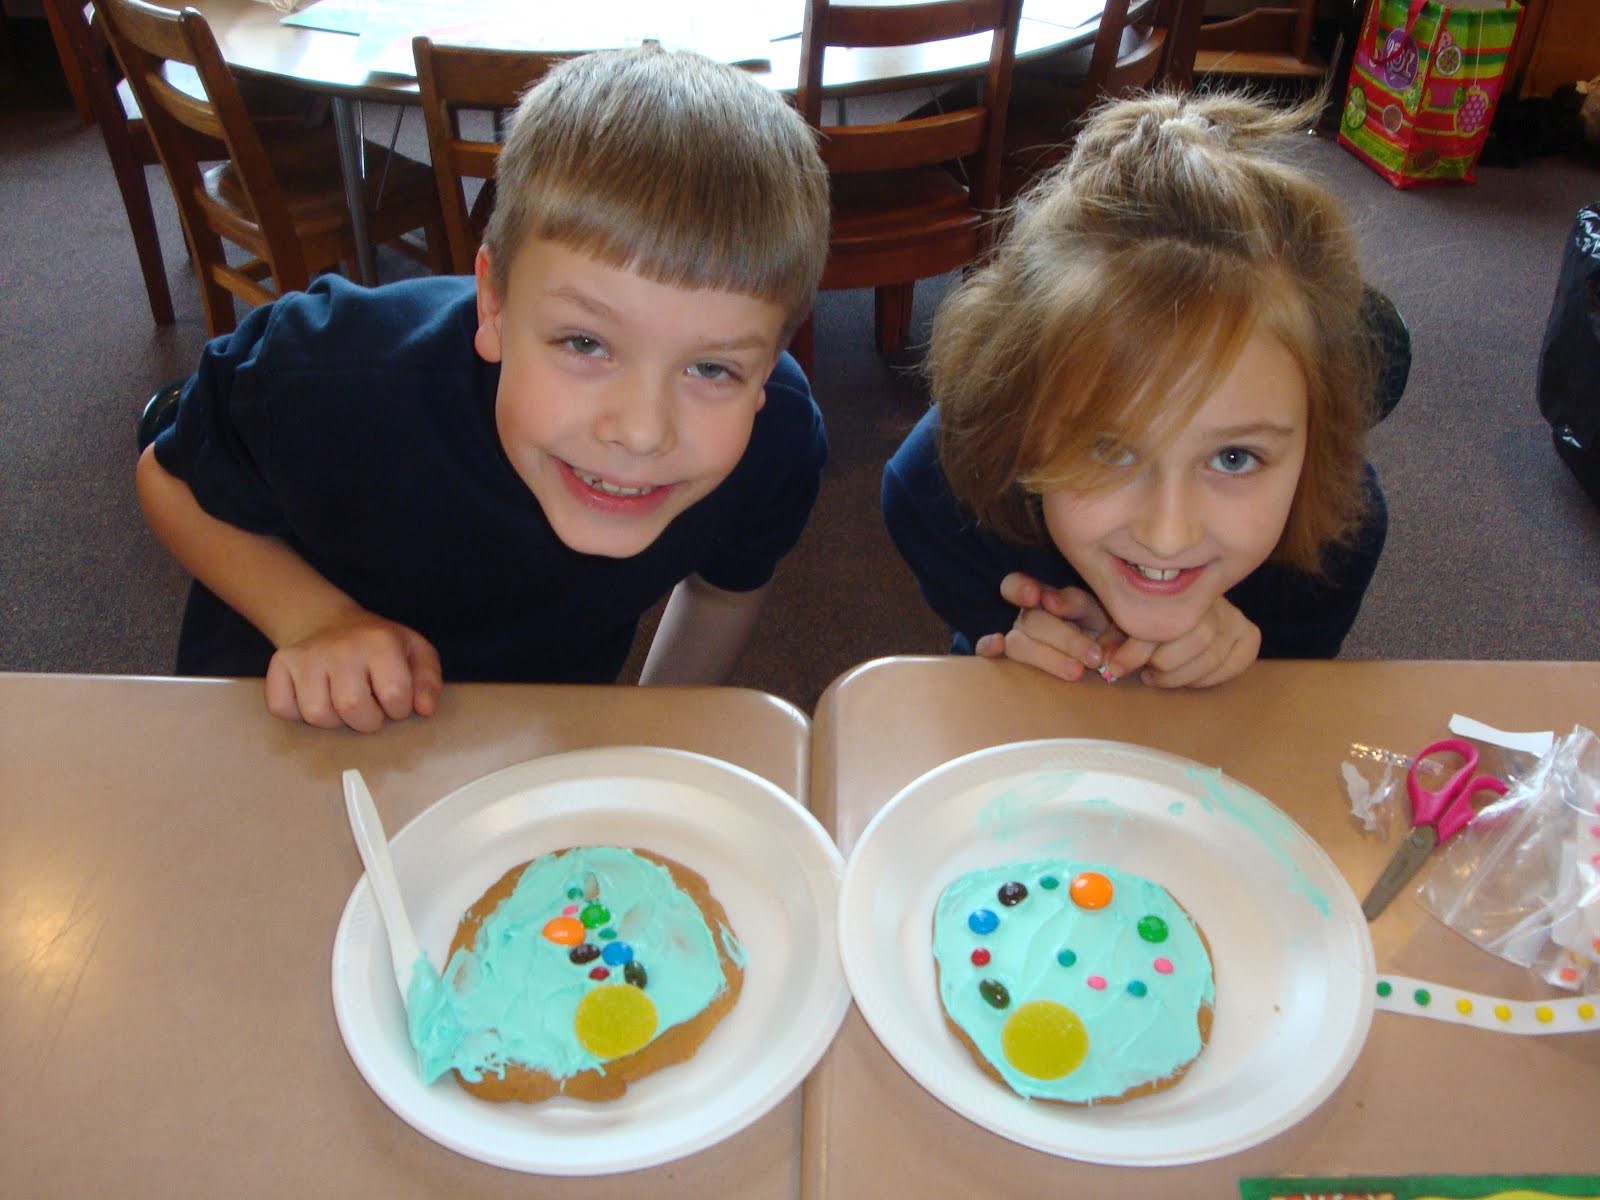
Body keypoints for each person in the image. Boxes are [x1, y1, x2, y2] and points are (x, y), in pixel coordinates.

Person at [137, 45, 830, 732]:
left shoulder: (777, 439)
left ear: (767, 365)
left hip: (526, 732)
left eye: (712, 369)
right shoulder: (332, 374)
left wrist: (642, 733)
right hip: (281, 723)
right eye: (584, 343)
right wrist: (314, 620)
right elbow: (168, 478)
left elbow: (721, 594)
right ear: (493, 306)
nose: (642, 432)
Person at [882, 91, 1396, 690]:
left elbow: (1287, 712)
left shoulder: (1336, 541)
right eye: (1109, 449)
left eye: (1235, 458)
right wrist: (1016, 637)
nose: (1167, 535)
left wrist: (1256, 673)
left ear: (1316, 433)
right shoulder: (942, 496)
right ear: (1019, 417)